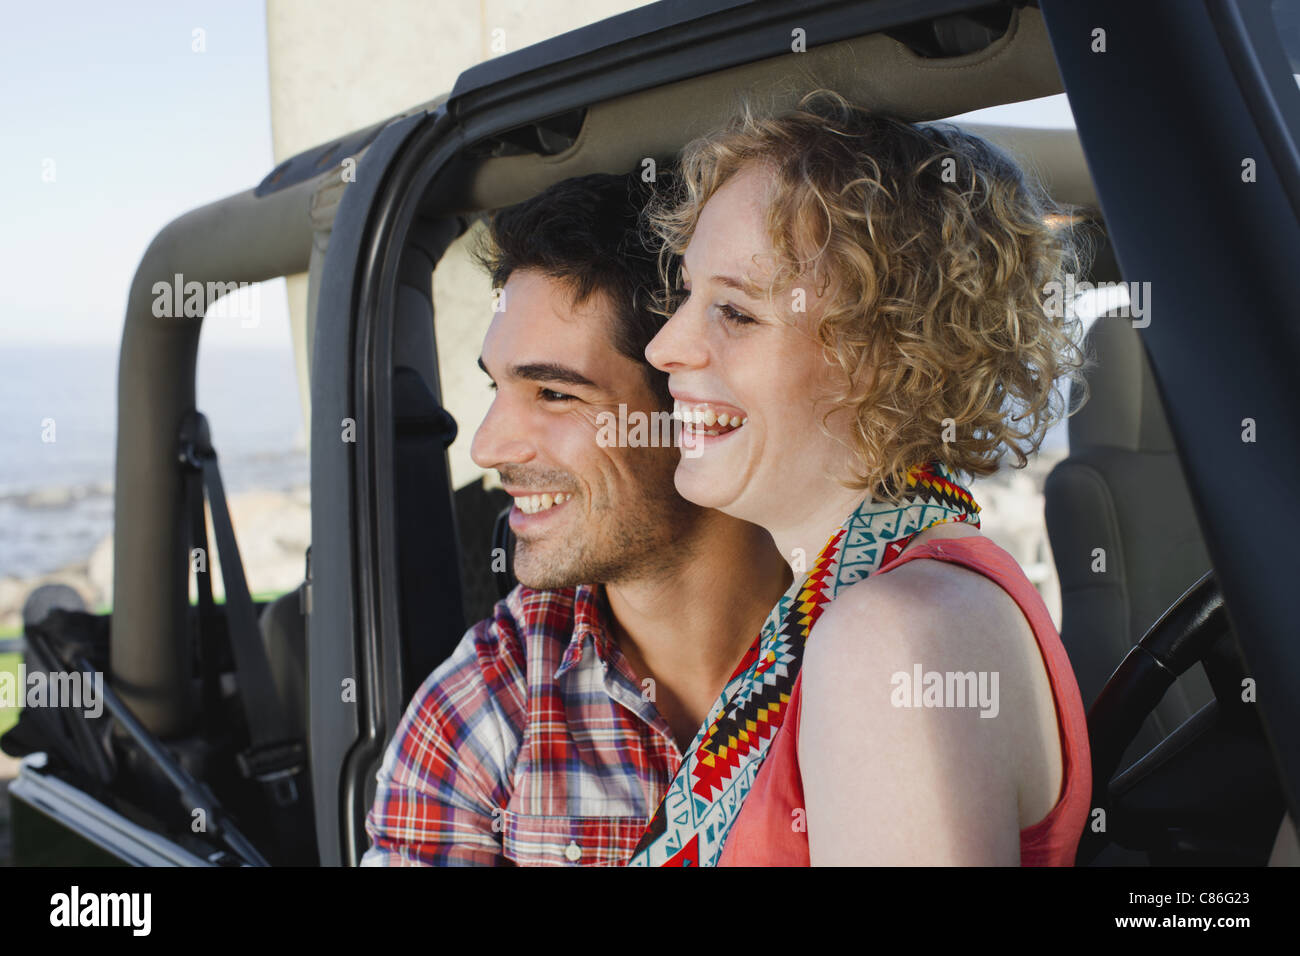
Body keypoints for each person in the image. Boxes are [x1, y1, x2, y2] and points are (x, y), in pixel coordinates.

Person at [638, 90, 1094, 866]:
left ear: (891, 354)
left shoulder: (888, 636)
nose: (664, 348)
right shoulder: (883, 595)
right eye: (688, 297)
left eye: (737, 313)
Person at [361, 171, 791, 865]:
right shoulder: (484, 710)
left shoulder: (868, 643)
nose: (487, 447)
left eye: (555, 393)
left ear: (697, 406)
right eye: (497, 387)